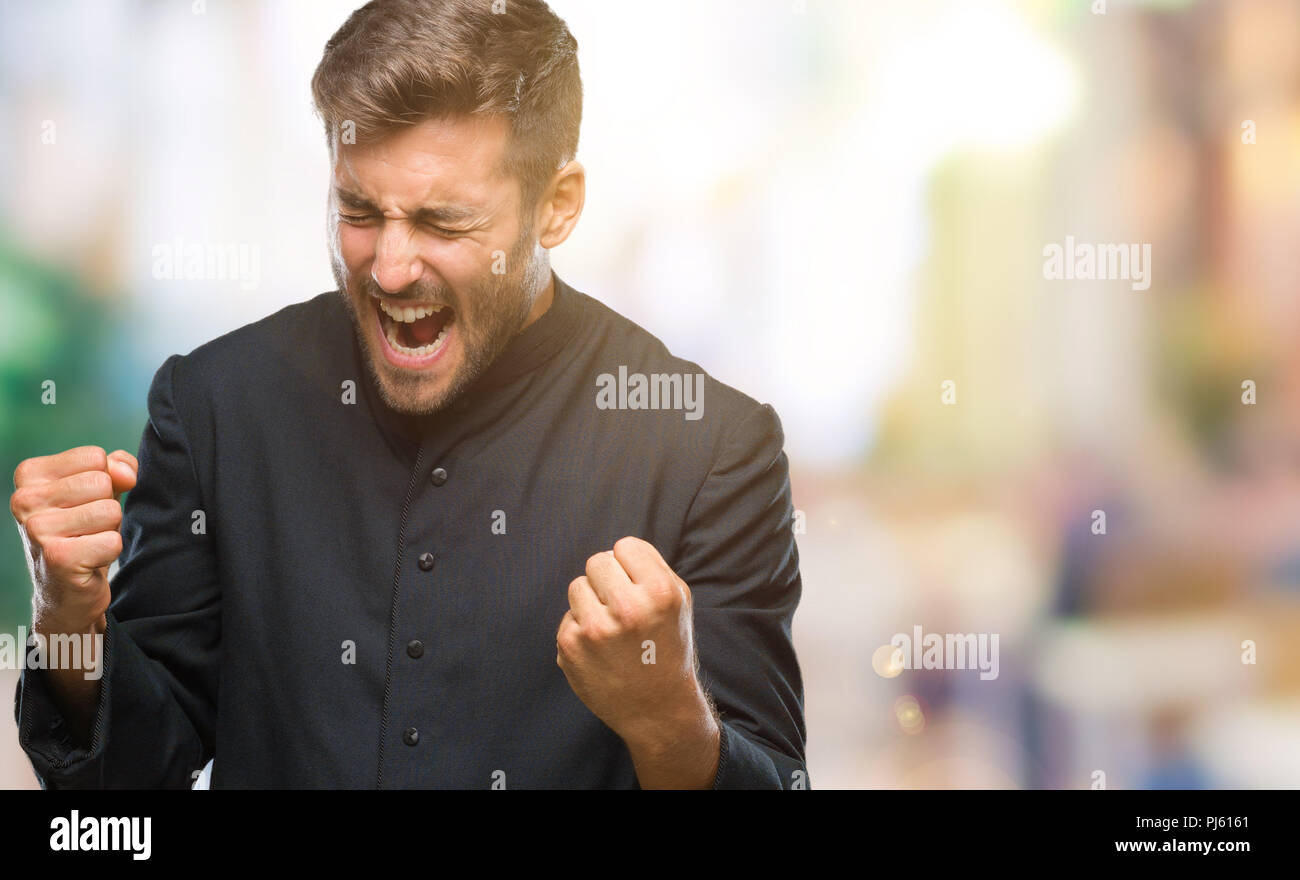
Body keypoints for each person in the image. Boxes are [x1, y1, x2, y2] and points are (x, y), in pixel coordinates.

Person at [10, 0, 807, 789]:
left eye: (442, 222)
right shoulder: (214, 404)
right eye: (359, 211)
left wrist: (669, 717)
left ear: (557, 205)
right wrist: (66, 620)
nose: (390, 268)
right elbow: (124, 787)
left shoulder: (710, 449)